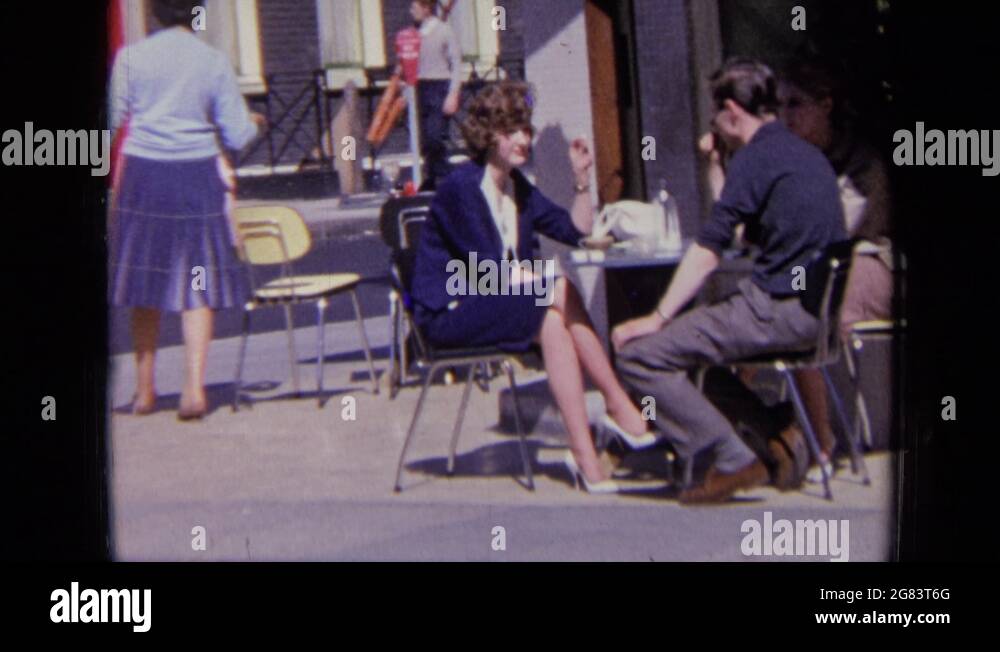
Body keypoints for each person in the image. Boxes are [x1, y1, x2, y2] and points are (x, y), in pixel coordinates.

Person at [612, 58, 847, 504]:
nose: (714, 122)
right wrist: (718, 164)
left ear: (733, 110)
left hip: (776, 310)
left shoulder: (757, 157)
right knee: (696, 362)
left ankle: (729, 456)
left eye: (715, 113)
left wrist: (657, 317)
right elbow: (741, 229)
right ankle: (775, 434)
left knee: (640, 355)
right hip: (815, 315)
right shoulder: (799, 153)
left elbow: (710, 250)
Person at [410, 82, 654, 493]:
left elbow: (575, 231)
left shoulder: (517, 186)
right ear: (488, 135)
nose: (524, 139)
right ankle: (617, 404)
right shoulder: (460, 187)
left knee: (554, 320)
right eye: (512, 131)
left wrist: (581, 181)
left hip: (489, 300)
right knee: (557, 289)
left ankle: (584, 456)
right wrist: (537, 279)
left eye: (525, 129)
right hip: (450, 309)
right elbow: (481, 271)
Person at [109, 0, 265, 420]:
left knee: (146, 278)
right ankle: (193, 388)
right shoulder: (212, 61)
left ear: (155, 14)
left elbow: (109, 121)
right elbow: (236, 131)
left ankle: (144, 390)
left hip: (144, 173)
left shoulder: (130, 58)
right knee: (199, 279)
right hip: (196, 174)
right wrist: (254, 122)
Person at [777, 58, 895, 475]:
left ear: (825, 105)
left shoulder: (862, 162)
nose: (784, 116)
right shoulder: (787, 160)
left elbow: (841, 229)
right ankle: (760, 423)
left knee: (816, 303)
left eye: (795, 105)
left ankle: (816, 436)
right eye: (780, 106)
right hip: (819, 265)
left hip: (872, 262)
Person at [408, 0, 462, 190]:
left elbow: (456, 63)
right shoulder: (413, 34)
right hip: (419, 88)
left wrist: (453, 94)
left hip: (439, 87)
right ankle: (432, 180)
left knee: (435, 136)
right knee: (424, 138)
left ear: (426, 8)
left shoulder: (444, 31)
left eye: (414, 7)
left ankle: (446, 175)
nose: (411, 11)